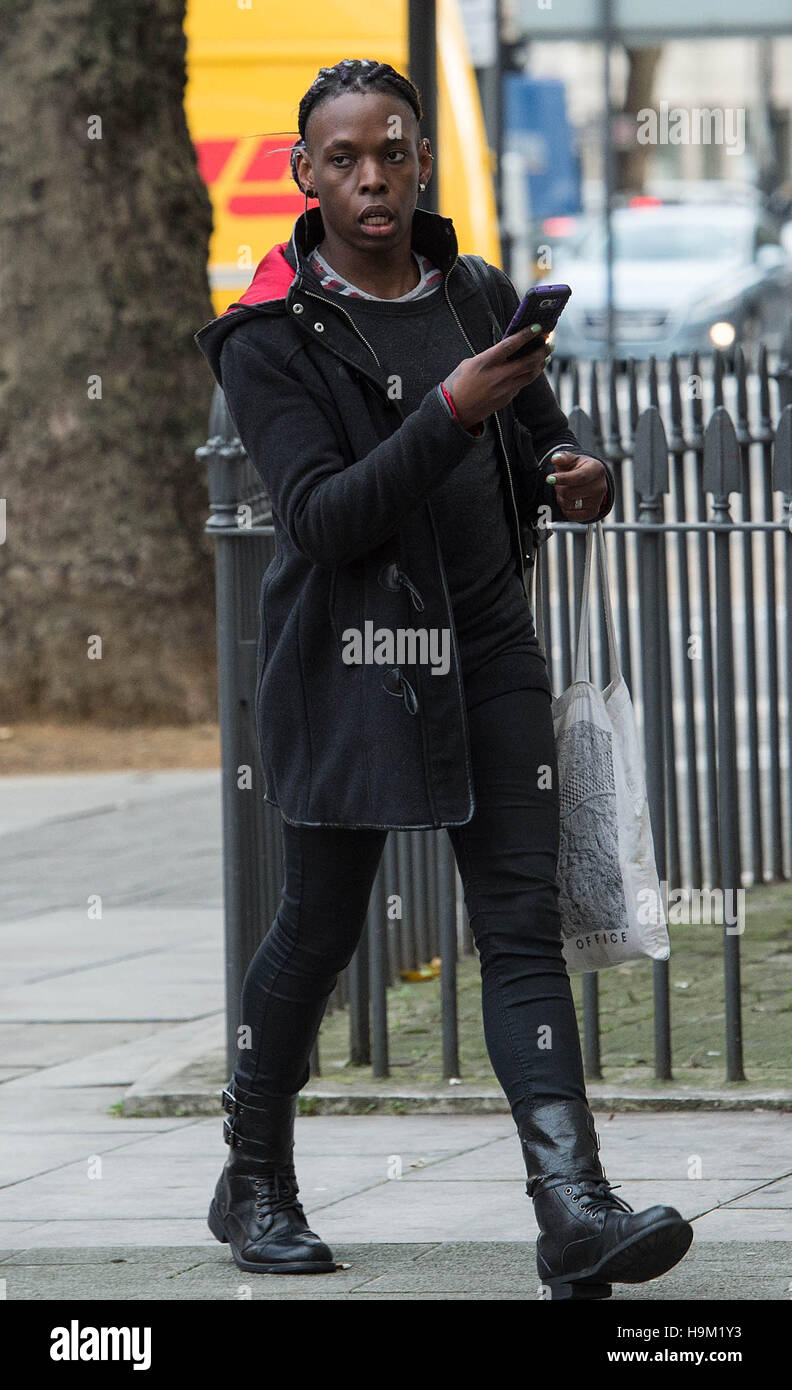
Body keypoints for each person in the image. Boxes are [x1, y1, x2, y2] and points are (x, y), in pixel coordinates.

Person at [194, 57, 693, 1300]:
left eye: (395, 152)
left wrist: (580, 473)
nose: (375, 177)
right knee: (318, 931)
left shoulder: (472, 290)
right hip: (351, 668)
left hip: (491, 656)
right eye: (346, 158)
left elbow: (543, 441)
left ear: (424, 159)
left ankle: (571, 1203)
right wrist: (454, 411)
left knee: (519, 930)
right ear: (303, 172)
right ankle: (255, 1176)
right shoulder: (270, 333)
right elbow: (323, 518)